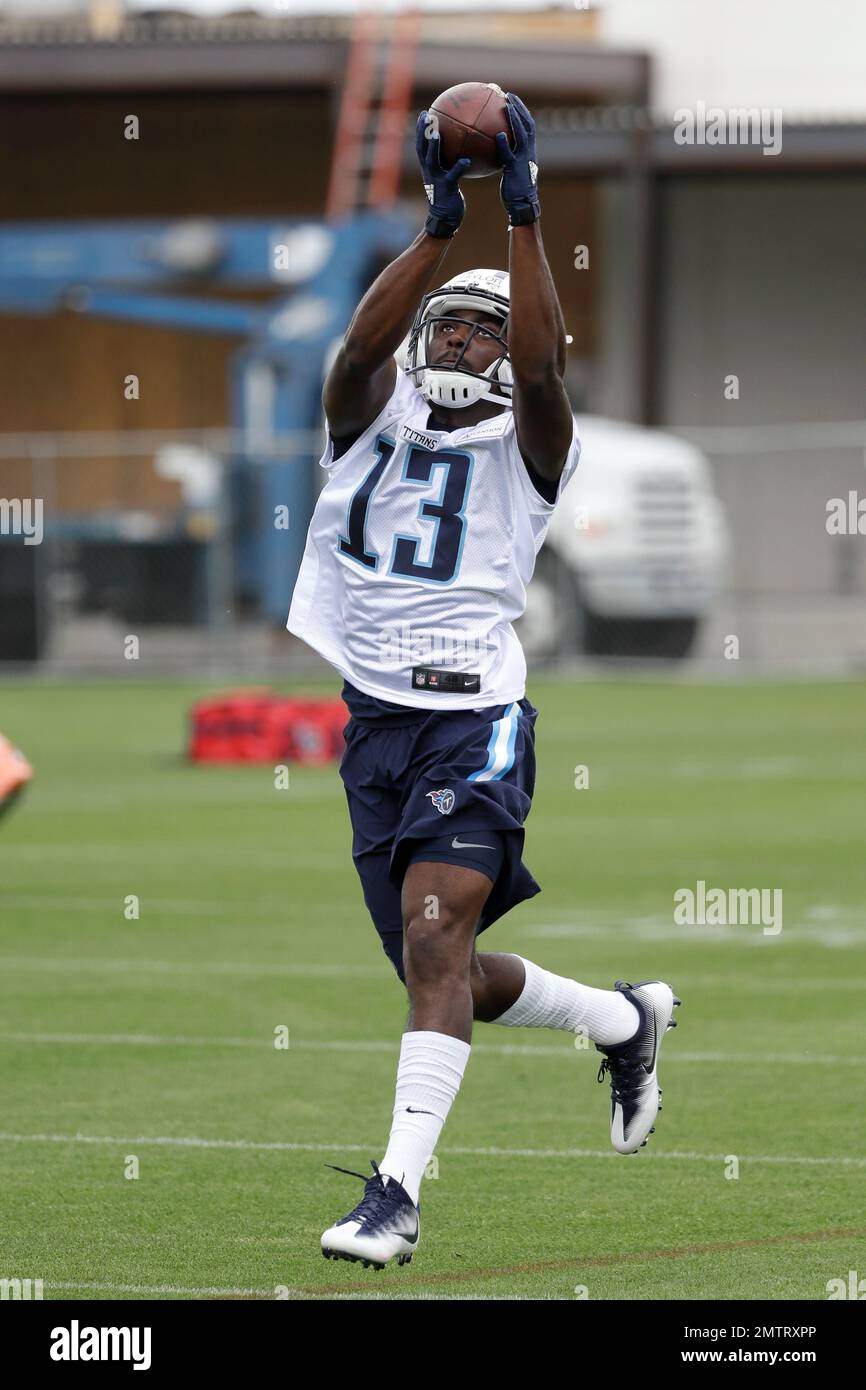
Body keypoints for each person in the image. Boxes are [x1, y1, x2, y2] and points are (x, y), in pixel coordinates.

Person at [287, 93, 680, 1270]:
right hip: (376, 726)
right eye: (448, 329)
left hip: (475, 720)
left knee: (434, 930)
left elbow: (550, 366)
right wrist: (436, 223)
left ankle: (395, 1194)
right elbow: (358, 348)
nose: (462, 342)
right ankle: (622, 1019)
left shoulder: (532, 450)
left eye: (484, 334)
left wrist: (521, 214)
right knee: (437, 967)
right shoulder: (366, 417)